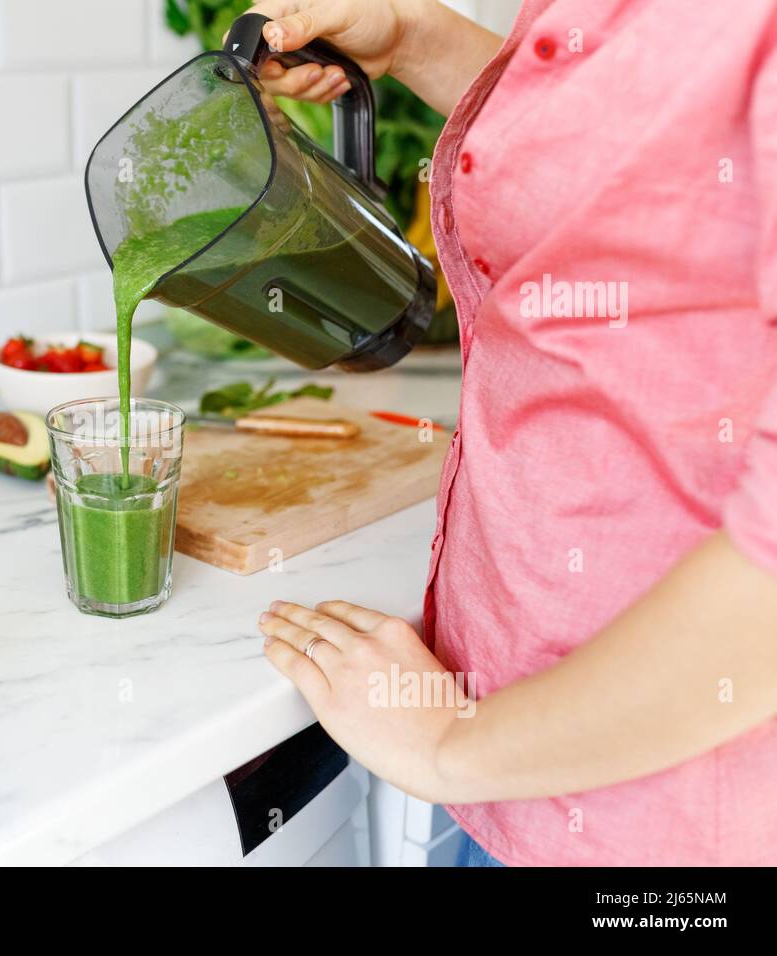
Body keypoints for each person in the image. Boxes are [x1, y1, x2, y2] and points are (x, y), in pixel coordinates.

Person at [249, 0, 777, 866]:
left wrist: (450, 748)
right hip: (509, 770)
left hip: (654, 834)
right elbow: (648, 165)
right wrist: (418, 36)